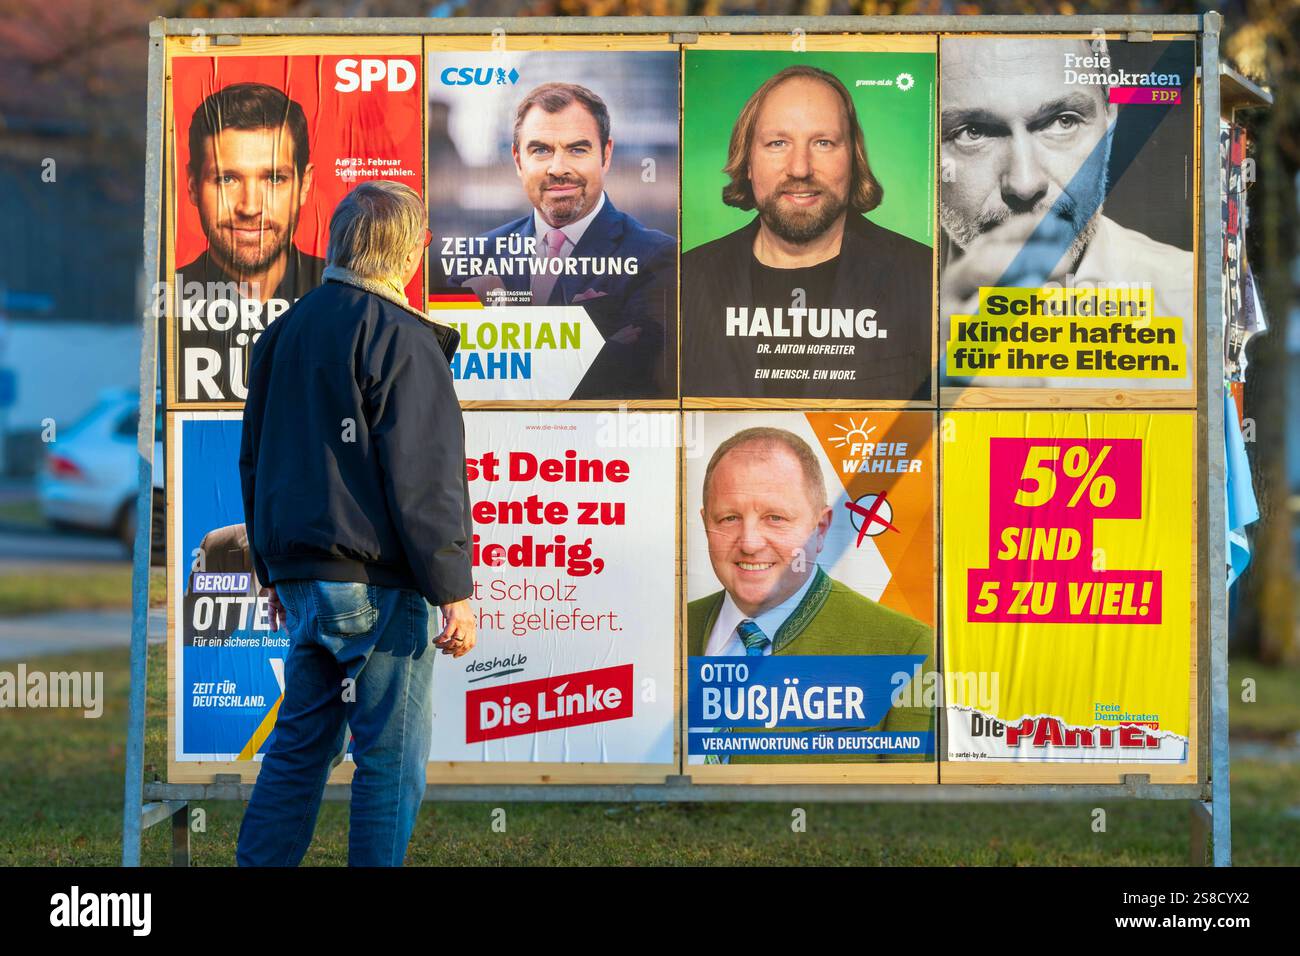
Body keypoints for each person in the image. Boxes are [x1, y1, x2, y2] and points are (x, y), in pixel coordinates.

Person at [236, 180, 476, 867]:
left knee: (298, 752)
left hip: (304, 581)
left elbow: (253, 460)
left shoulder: (283, 332)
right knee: (390, 762)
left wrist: (272, 574)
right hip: (377, 585)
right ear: (416, 250)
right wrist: (452, 588)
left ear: (337, 243)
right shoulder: (400, 337)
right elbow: (423, 480)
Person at [939, 37, 1194, 389]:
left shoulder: (1190, 304)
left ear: (1111, 126)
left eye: (1062, 122)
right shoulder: (879, 319)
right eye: (973, 132)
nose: (1025, 184)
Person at [681, 65, 932, 401]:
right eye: (777, 143)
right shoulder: (683, 281)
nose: (800, 168)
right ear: (749, 162)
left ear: (853, 159)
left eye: (824, 142)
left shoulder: (928, 278)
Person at [687, 427, 932, 764]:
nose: (750, 542)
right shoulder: (665, 636)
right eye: (729, 518)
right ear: (705, 524)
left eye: (775, 518)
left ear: (821, 530)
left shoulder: (905, 649)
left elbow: (912, 810)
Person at [446, 82, 675, 399]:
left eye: (577, 149)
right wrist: (591, 341)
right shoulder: (476, 257)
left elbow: (635, 375)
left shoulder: (657, 257)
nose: (558, 168)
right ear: (517, 160)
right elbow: (458, 377)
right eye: (540, 150)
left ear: (605, 155)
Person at [177, 82, 326, 402]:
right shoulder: (166, 305)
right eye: (227, 179)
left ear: (304, 185)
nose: (250, 207)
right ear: (191, 184)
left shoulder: (343, 304)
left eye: (274, 179)